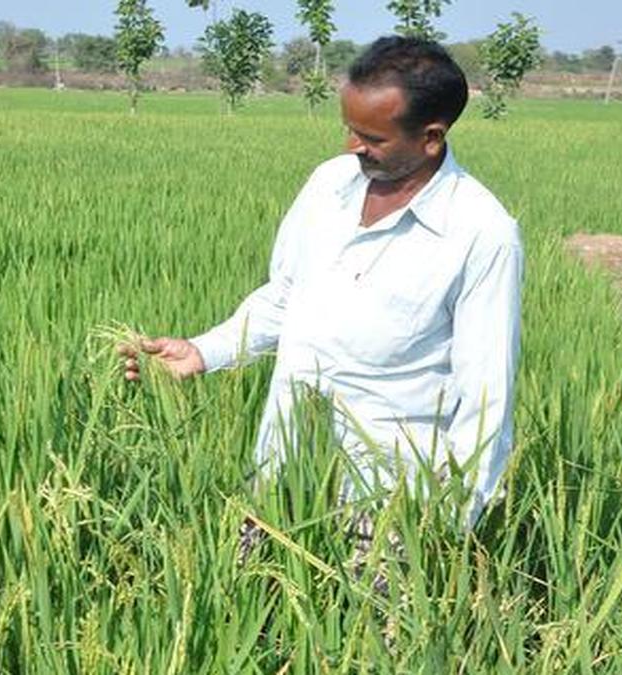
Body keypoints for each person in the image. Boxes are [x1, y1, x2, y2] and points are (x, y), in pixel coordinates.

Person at [121, 36, 522, 541]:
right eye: (350, 129)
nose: (352, 147)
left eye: (372, 138)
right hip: (282, 470)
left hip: (388, 501)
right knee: (249, 612)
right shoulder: (327, 186)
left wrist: (449, 525)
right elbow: (285, 297)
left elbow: (486, 396)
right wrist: (204, 351)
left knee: (360, 621)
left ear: (431, 137)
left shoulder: (480, 233)